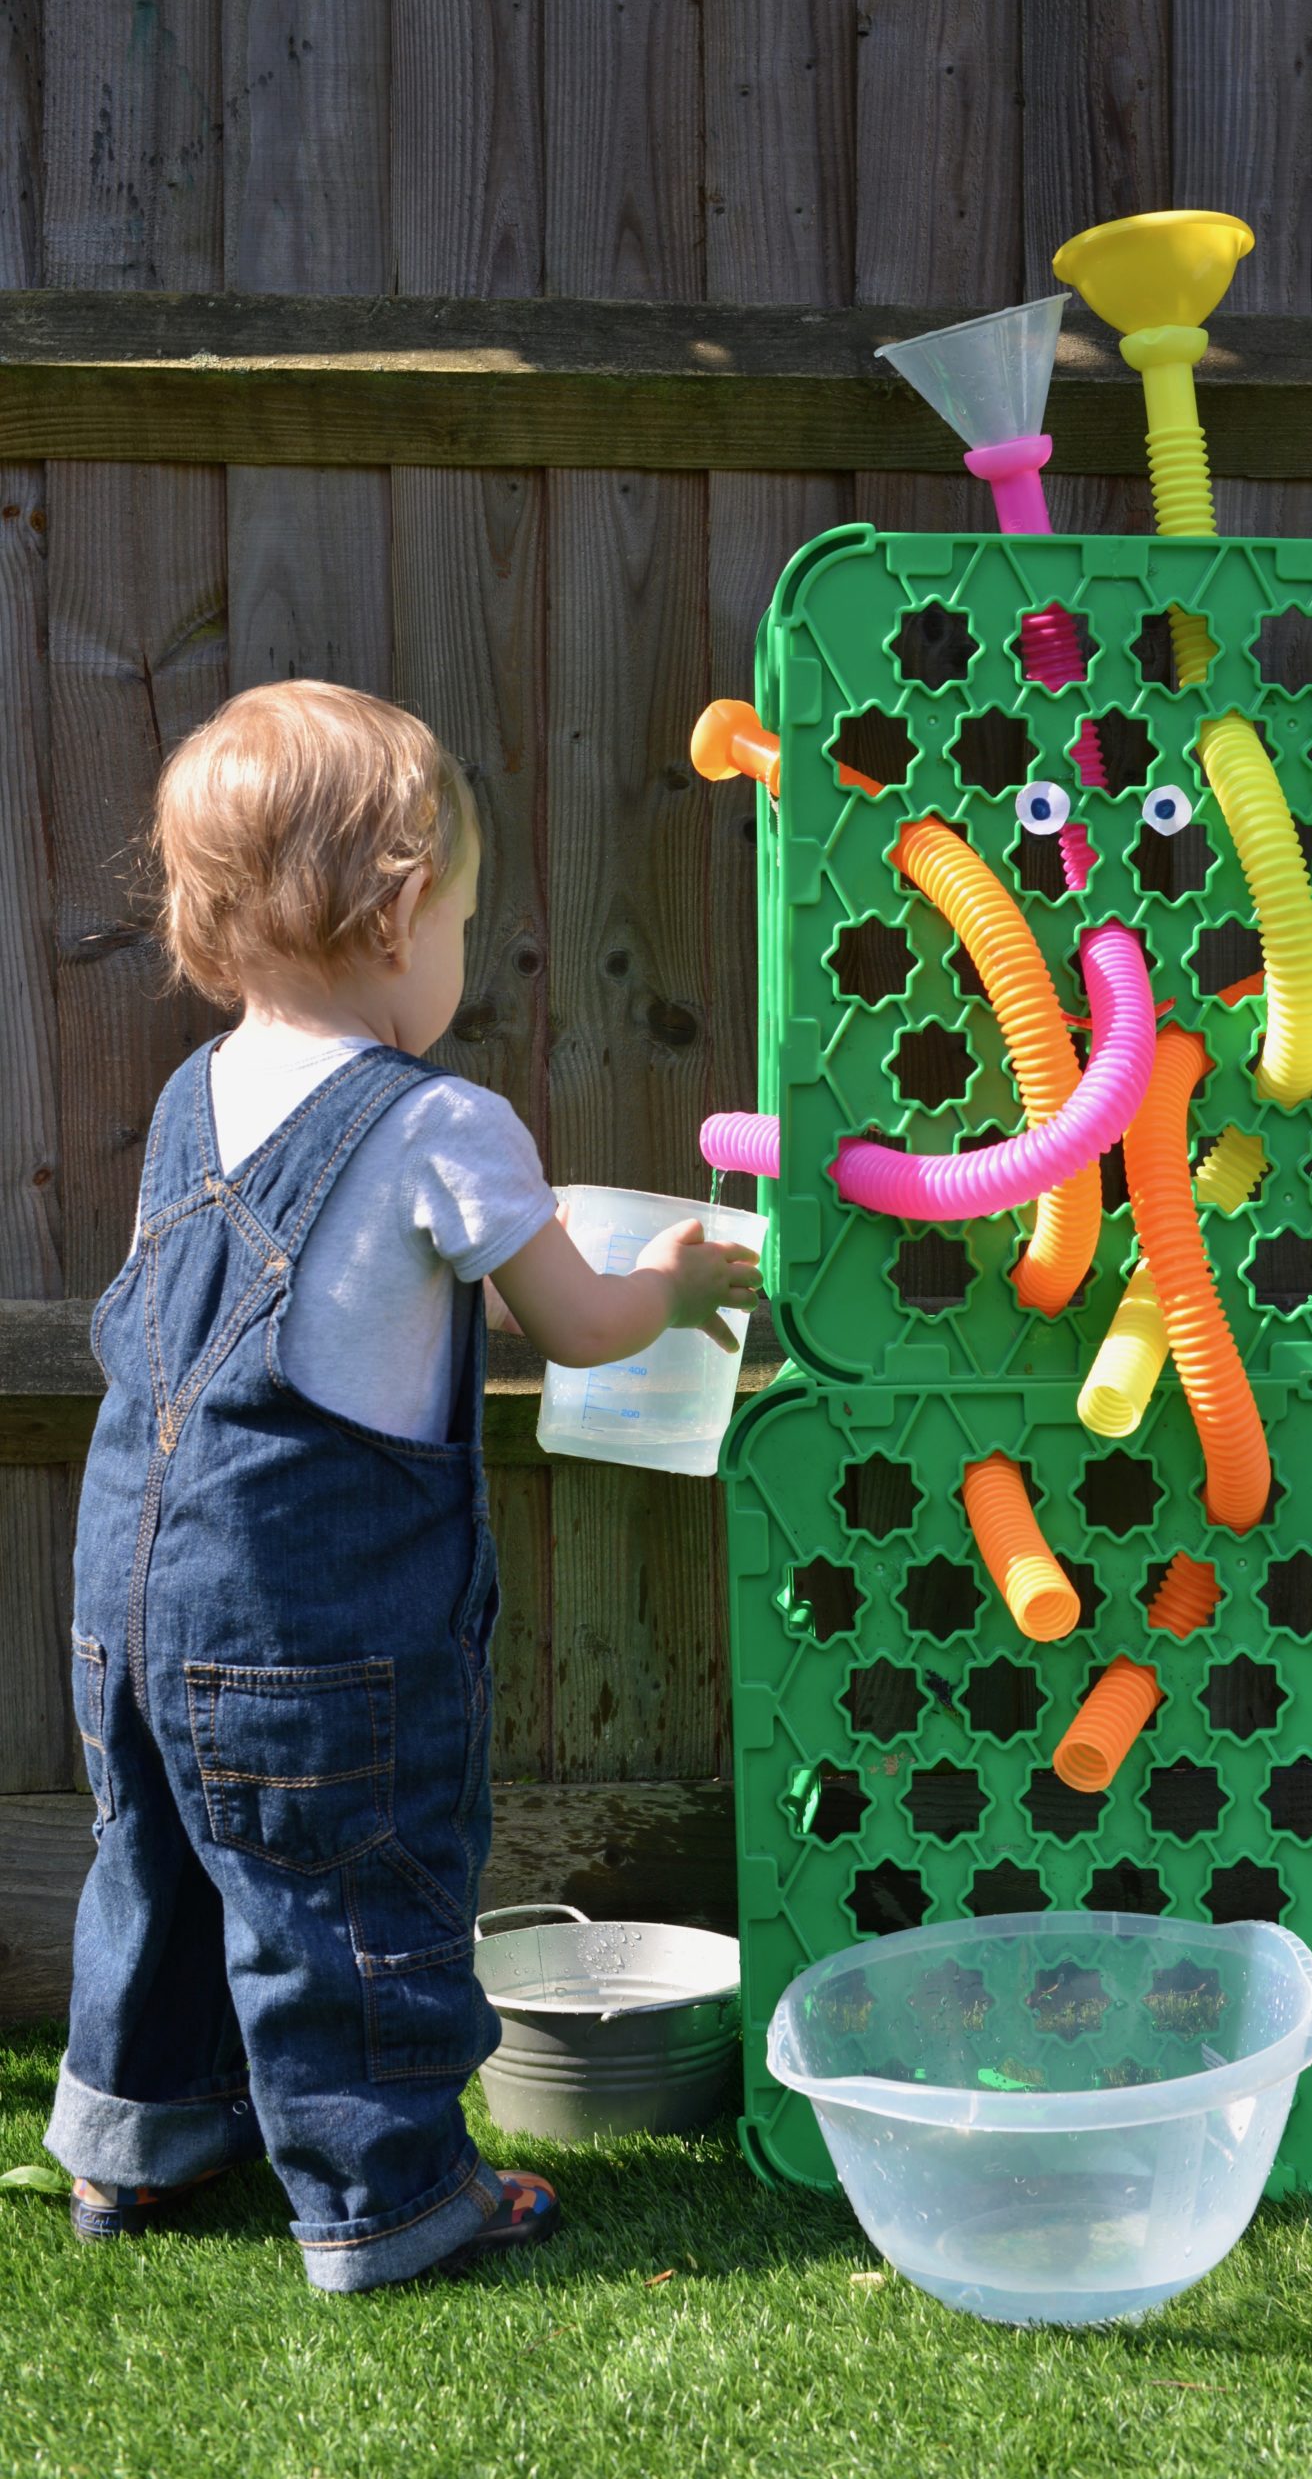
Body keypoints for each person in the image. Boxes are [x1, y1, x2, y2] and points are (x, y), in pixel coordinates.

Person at [45, 681, 759, 2291]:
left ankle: (135, 2146)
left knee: (154, 1865)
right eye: (465, 924)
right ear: (395, 914)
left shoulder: (194, 1098)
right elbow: (575, 1322)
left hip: (132, 1602)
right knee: (355, 1898)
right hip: (318, 1623)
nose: (465, 962)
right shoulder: (448, 1121)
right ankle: (390, 2202)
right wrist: (678, 1271)